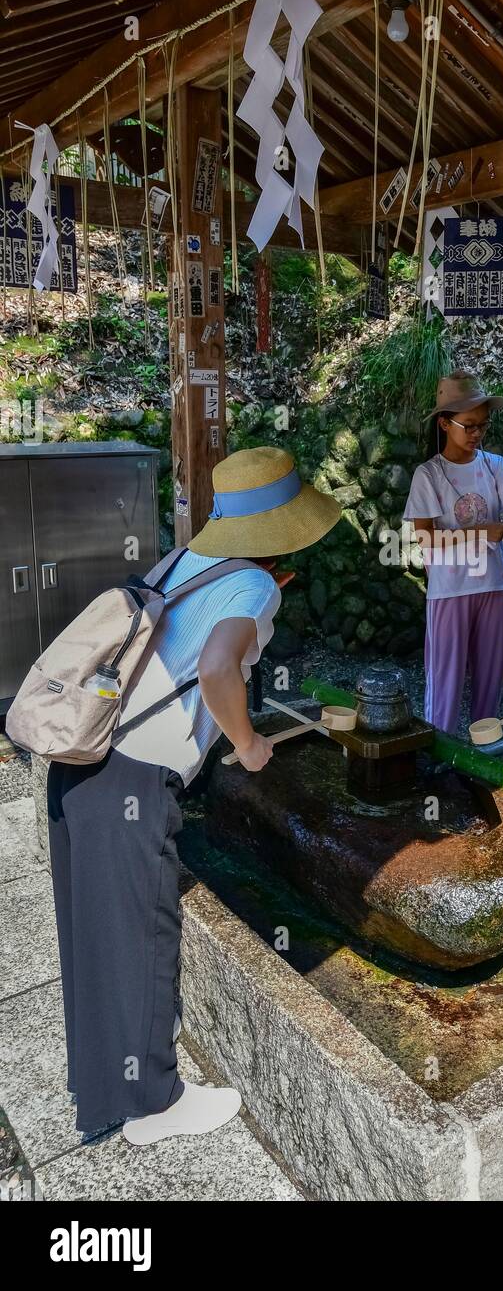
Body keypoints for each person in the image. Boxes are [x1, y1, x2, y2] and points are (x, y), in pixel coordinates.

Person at [45, 446, 340, 1144]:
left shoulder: (181, 562)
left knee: (96, 933)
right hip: (132, 777)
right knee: (146, 930)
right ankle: (153, 1106)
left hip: (81, 756)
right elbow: (216, 668)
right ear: (284, 531)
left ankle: (99, 1078)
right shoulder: (257, 587)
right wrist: (247, 743)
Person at [403, 371, 503, 734]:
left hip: (493, 583)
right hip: (449, 588)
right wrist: (481, 531)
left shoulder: (496, 466)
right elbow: (426, 540)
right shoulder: (428, 474)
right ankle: (437, 752)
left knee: (490, 678)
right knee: (444, 678)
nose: (478, 433)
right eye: (470, 426)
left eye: (483, 425)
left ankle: (484, 752)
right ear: (445, 424)